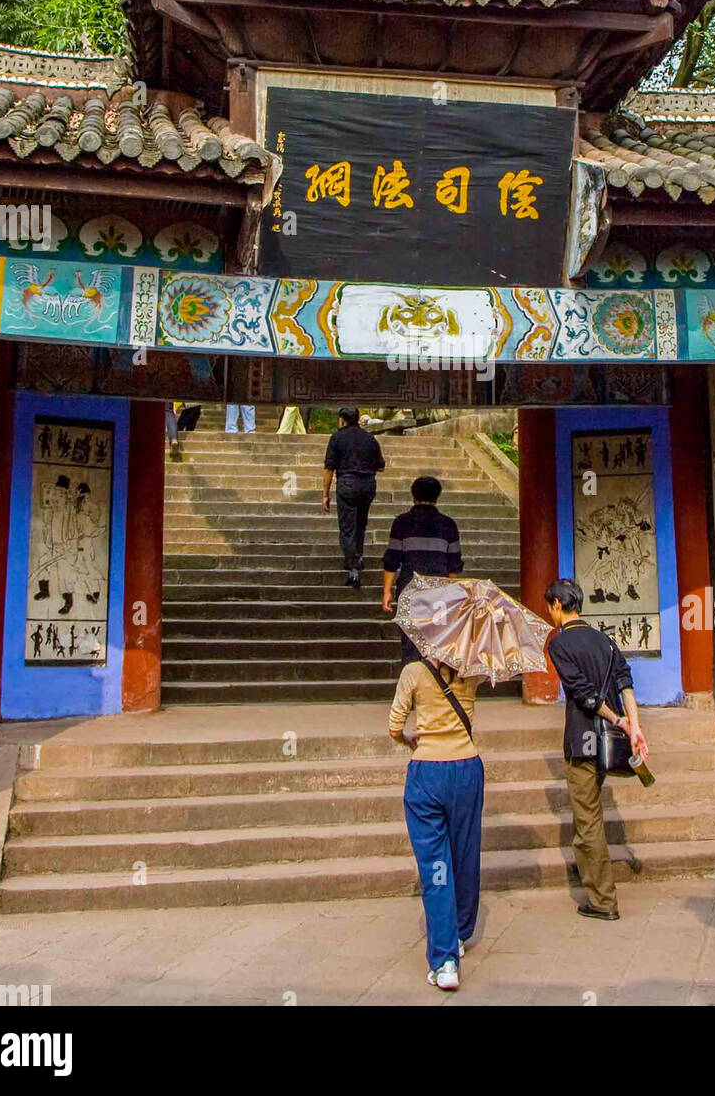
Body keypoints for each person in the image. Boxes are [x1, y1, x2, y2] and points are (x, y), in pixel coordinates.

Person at [544, 577, 649, 921]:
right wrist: (634, 725)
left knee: (587, 823)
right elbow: (626, 682)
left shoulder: (559, 644)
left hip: (584, 741)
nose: (550, 614)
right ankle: (600, 891)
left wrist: (619, 721)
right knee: (593, 815)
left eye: (550, 607)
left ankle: (603, 900)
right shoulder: (604, 639)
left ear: (558, 605)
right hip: (608, 745)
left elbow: (584, 694)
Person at [389, 655, 486, 991]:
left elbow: (394, 726)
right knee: (465, 854)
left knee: (436, 867)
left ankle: (445, 960)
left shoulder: (413, 672)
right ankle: (459, 933)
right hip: (467, 768)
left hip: (427, 771)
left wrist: (409, 739)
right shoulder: (473, 670)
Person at [382, 476, 464, 664]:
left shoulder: (402, 523)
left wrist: (387, 591)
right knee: (436, 641)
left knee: (410, 641)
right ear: (437, 497)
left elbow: (392, 560)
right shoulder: (448, 525)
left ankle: (412, 685)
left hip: (410, 590)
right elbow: (454, 563)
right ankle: (433, 686)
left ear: (413, 496)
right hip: (439, 591)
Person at [322, 406, 385, 588]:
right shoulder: (370, 439)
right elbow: (380, 466)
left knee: (348, 526)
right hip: (367, 484)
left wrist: (325, 494)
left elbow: (329, 468)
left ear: (342, 420)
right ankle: (358, 555)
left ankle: (353, 568)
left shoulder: (337, 438)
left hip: (347, 484)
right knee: (361, 523)